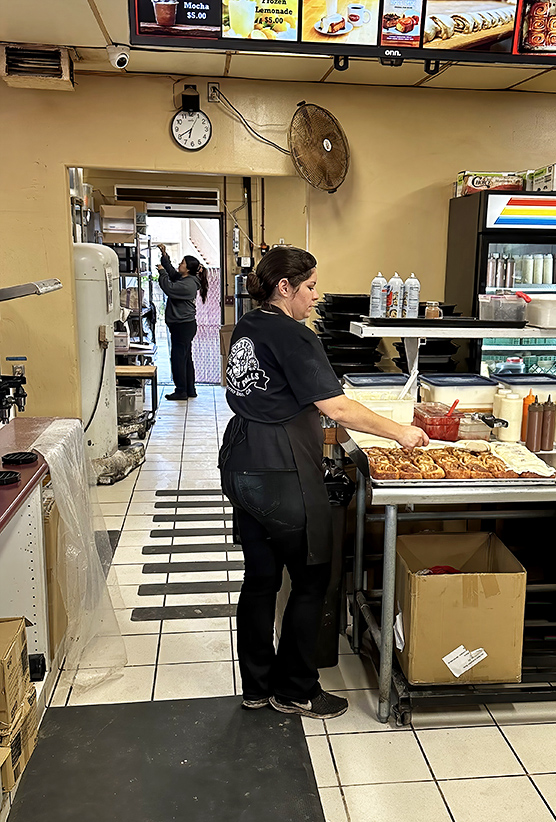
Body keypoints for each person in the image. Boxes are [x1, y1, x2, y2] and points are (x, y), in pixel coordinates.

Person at [218, 247, 429, 720]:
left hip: (241, 463)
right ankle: (295, 689)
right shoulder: (293, 335)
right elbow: (335, 407)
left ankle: (256, 685)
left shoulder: (250, 324)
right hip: (281, 467)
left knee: (261, 579)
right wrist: (400, 431)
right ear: (285, 288)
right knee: (313, 576)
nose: (316, 296)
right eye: (310, 286)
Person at [157, 244, 208, 401]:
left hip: (182, 325)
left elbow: (169, 287)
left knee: (178, 357)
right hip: (183, 325)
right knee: (185, 357)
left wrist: (161, 273)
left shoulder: (188, 284)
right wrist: (164, 256)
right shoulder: (186, 278)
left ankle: (181, 390)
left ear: (188, 269)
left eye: (182, 263)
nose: (180, 264)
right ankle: (189, 389)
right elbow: (172, 273)